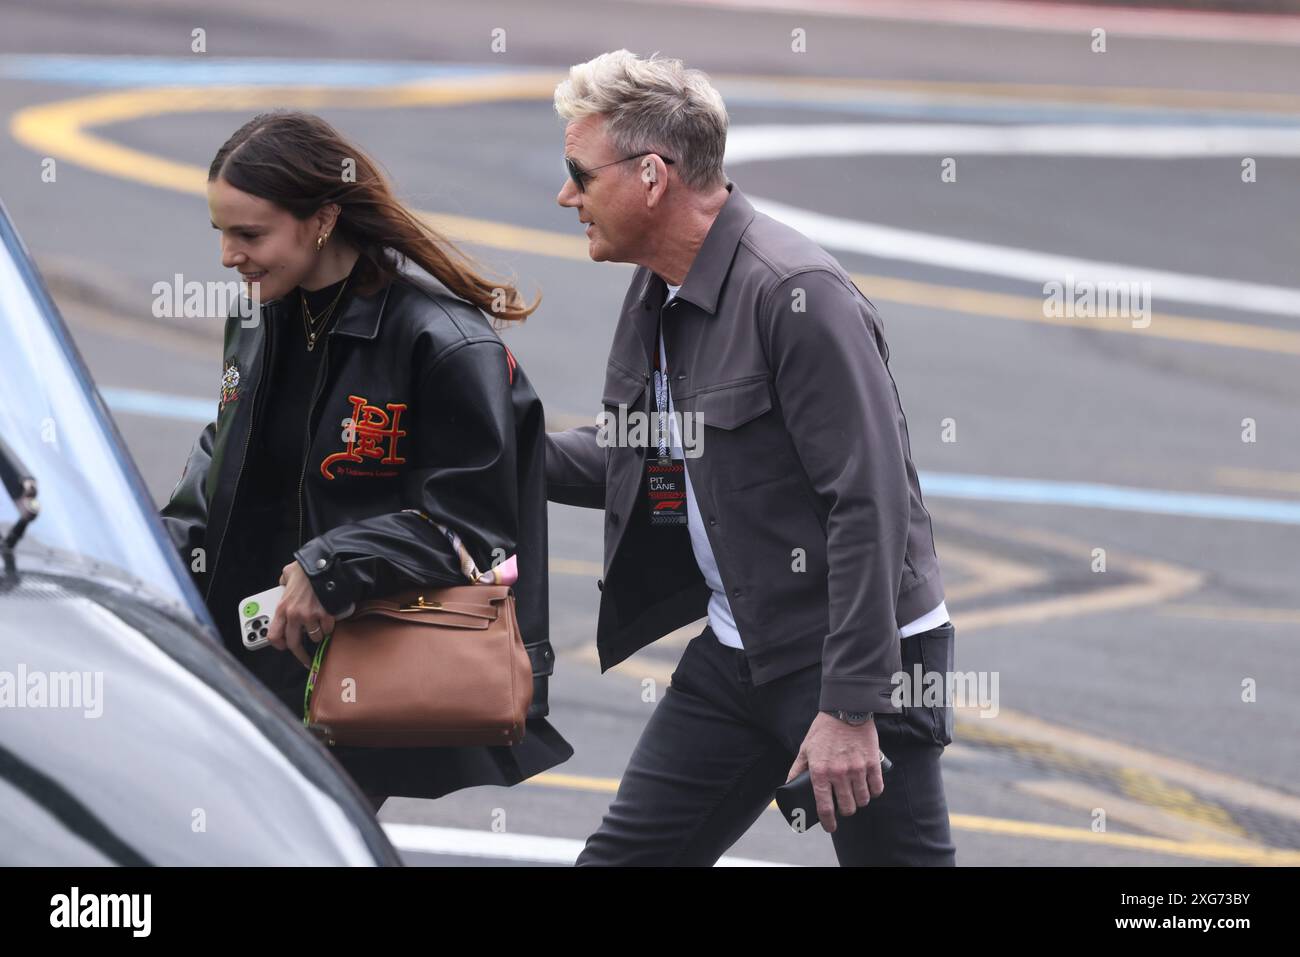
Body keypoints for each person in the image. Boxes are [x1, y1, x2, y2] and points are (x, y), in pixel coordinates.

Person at [545, 51, 957, 865]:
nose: (566, 196)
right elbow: (637, 461)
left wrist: (849, 704)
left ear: (652, 176)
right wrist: (488, 444)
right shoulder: (661, 290)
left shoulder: (795, 294)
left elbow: (869, 503)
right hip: (741, 652)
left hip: (858, 661)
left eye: (578, 174)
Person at [160, 110, 571, 813]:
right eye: (221, 233)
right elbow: (220, 456)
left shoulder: (442, 342)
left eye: (249, 234)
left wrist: (331, 565)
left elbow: (474, 529)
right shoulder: (263, 312)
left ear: (321, 220)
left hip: (361, 660)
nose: (230, 256)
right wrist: (152, 550)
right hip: (245, 653)